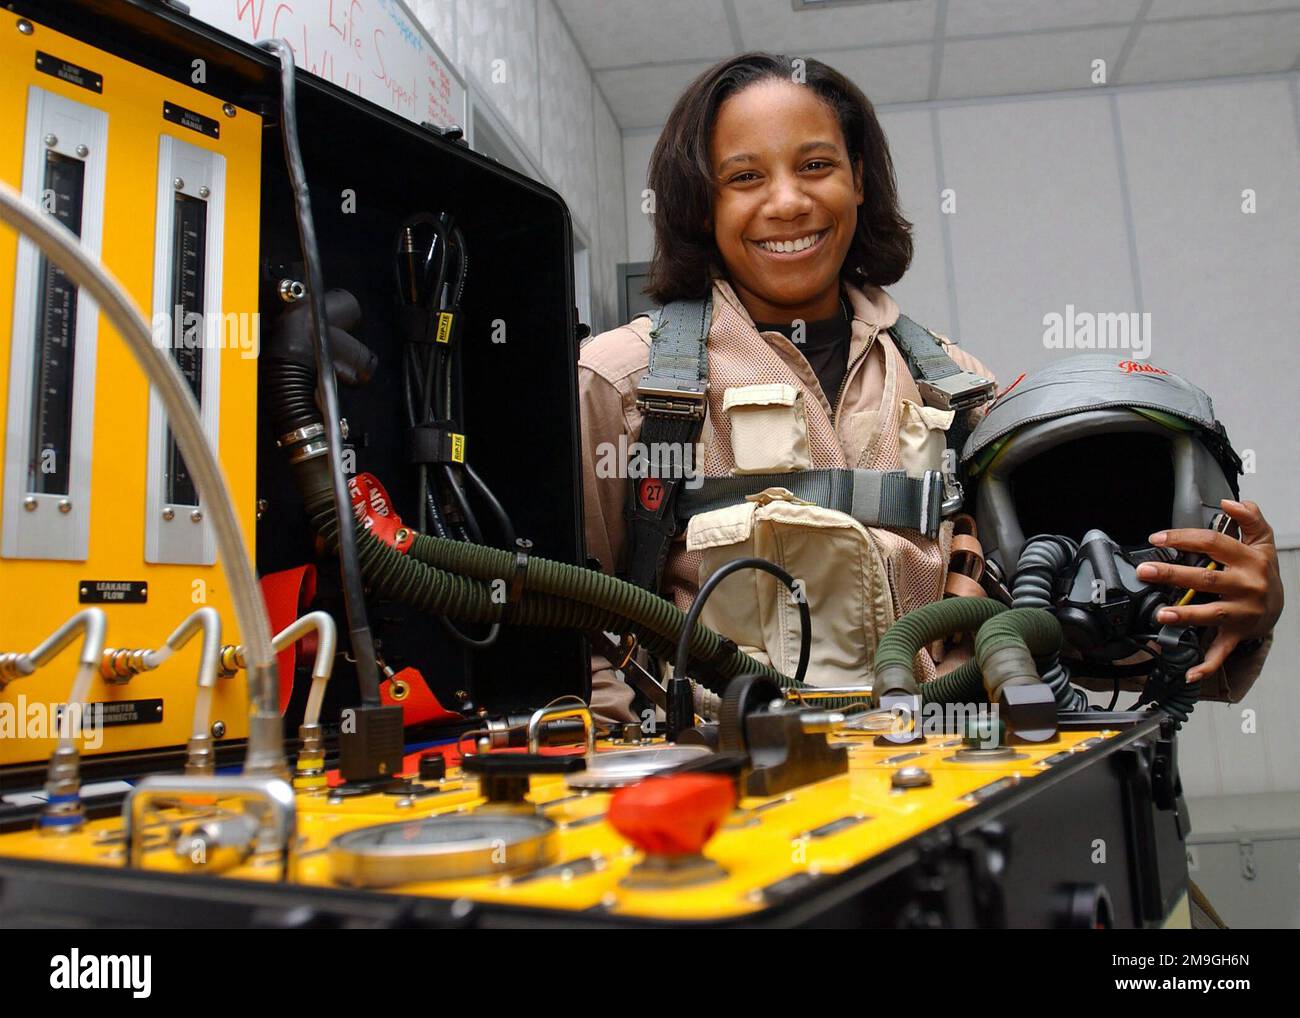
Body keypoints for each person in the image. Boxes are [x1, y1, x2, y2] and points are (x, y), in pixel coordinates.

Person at [578, 53, 1282, 724]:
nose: (787, 202)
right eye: (744, 177)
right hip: (725, 814)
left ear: (858, 179)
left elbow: (1054, 631)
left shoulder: (954, 389)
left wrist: (1240, 614)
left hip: (939, 796)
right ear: (702, 204)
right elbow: (564, 635)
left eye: (816, 165)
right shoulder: (625, 384)